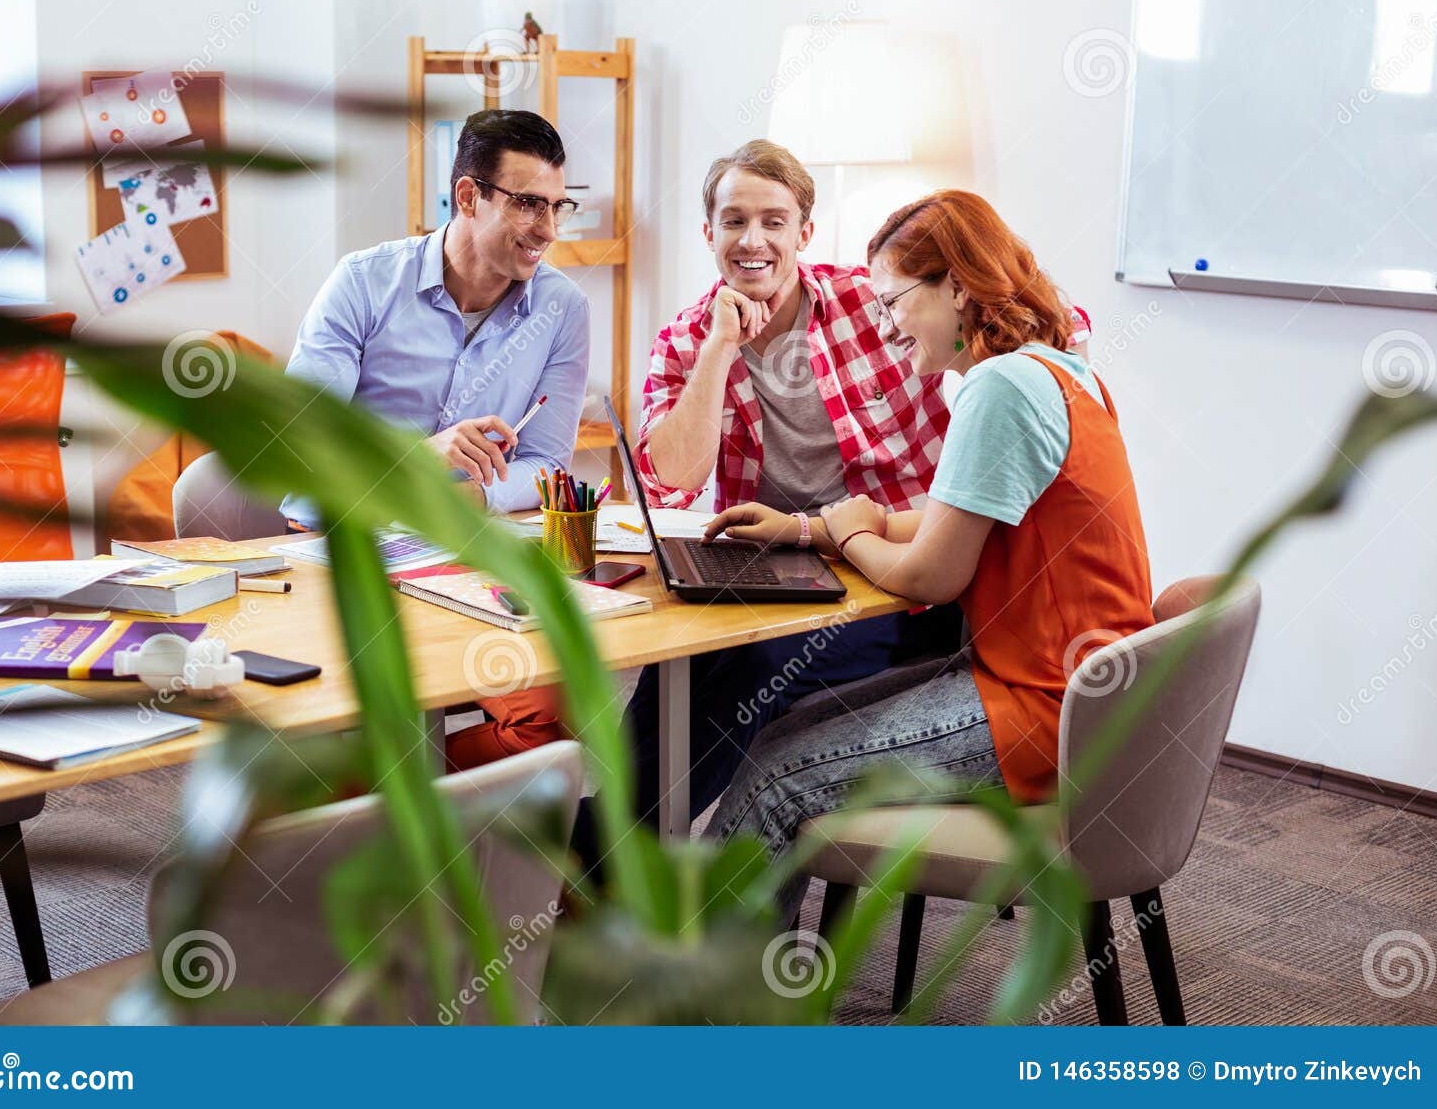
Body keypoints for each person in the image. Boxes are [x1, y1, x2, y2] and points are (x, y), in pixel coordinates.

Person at [602, 143, 1090, 842]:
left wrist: (992, 401)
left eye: (775, 221)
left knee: (753, 666)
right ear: (707, 233)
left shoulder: (881, 300)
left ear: (805, 231)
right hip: (777, 560)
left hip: (899, 576)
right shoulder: (688, 335)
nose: (753, 240)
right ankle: (621, 850)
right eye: (733, 220)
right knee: (682, 657)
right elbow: (671, 477)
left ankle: (611, 853)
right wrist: (717, 351)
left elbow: (1054, 323)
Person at [701, 190, 1154, 919]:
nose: (883, 325)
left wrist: (849, 533)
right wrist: (817, 527)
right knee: (778, 733)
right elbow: (961, 515)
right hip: (1083, 697)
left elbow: (932, 575)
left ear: (956, 285)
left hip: (1041, 708)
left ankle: (702, 1015)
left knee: (775, 778)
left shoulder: (999, 387)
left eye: (894, 301)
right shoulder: (1064, 371)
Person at [279, 109, 589, 770]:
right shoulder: (363, 284)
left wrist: (470, 501)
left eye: (559, 207)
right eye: (529, 203)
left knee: (547, 723)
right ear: (468, 196)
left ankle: (400, 807)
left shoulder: (563, 310)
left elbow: (546, 464)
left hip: (471, 557)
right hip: (357, 553)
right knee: (389, 717)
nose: (548, 230)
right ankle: (383, 819)